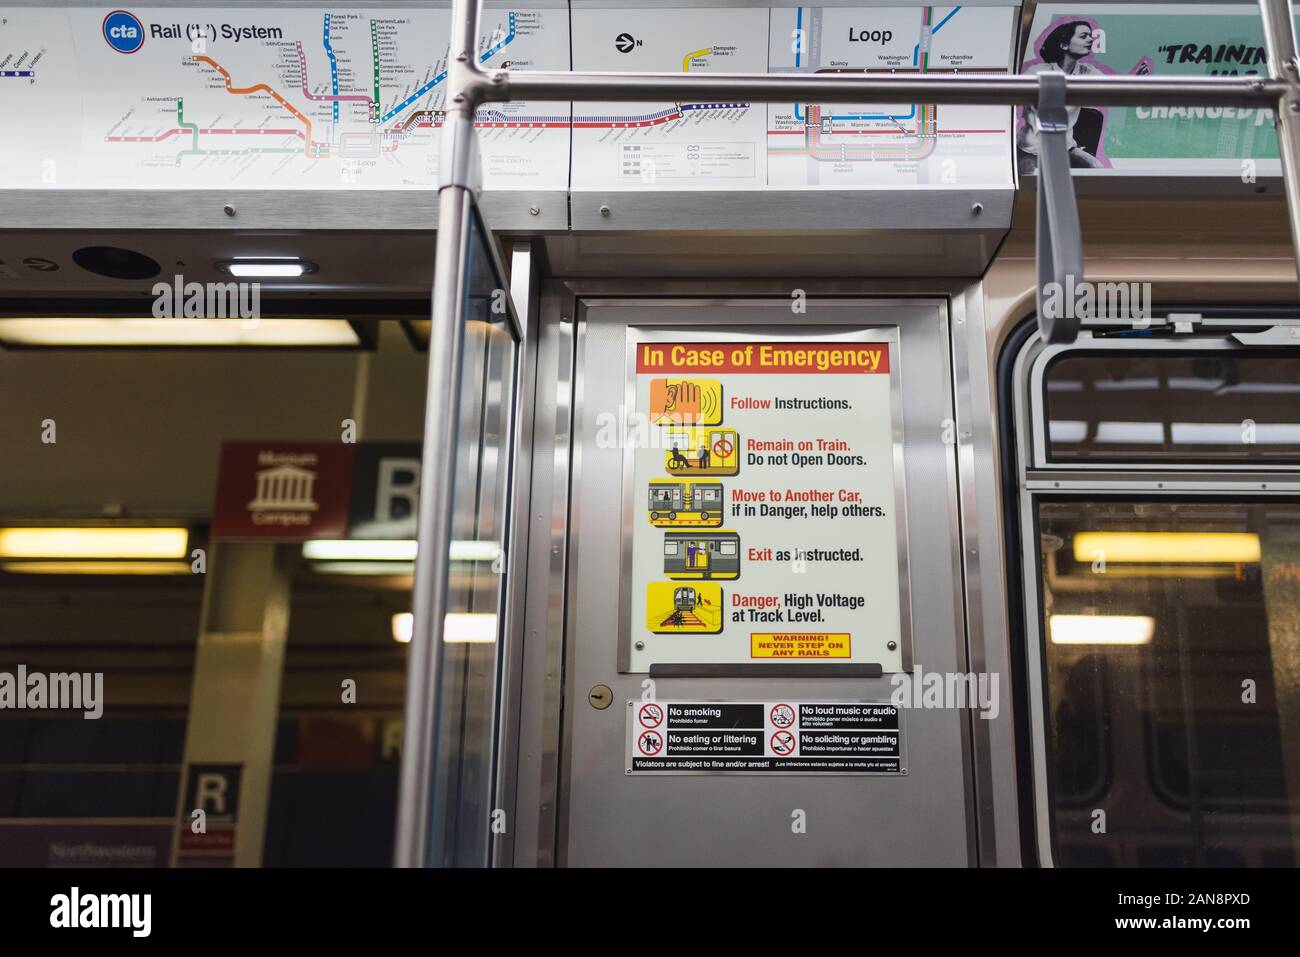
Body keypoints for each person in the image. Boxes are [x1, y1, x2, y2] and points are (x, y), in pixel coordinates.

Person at [1017, 20, 1150, 174]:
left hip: (1065, 146)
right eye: (1083, 36)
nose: (1090, 39)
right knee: (1032, 177)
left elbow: (1112, 90)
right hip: (1032, 147)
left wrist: (1135, 80)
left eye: (1090, 36)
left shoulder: (1087, 71)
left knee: (1097, 169)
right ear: (1064, 45)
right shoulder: (1037, 71)